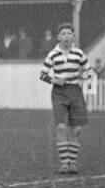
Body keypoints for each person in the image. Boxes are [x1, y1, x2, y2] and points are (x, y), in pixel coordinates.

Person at [40, 23, 93, 174]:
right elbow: (42, 74)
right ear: (58, 37)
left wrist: (88, 91)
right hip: (59, 93)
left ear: (73, 36)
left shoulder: (79, 54)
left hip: (75, 92)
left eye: (69, 34)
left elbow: (89, 72)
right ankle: (64, 163)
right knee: (61, 127)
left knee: (76, 129)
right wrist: (54, 80)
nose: (66, 37)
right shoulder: (53, 55)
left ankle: (72, 163)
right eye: (63, 34)